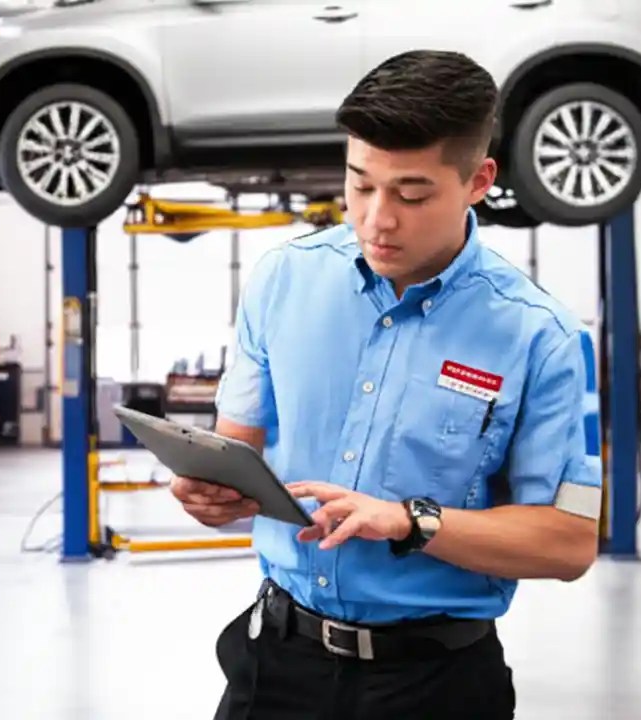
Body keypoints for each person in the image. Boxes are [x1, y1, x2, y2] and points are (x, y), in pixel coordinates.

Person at [170, 50, 602, 720]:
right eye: (360, 185)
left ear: (478, 180)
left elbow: (568, 543)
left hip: (434, 685)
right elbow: (238, 451)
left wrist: (409, 521)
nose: (377, 219)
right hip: (274, 665)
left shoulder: (539, 337)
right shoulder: (283, 281)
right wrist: (212, 491)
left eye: (411, 193)